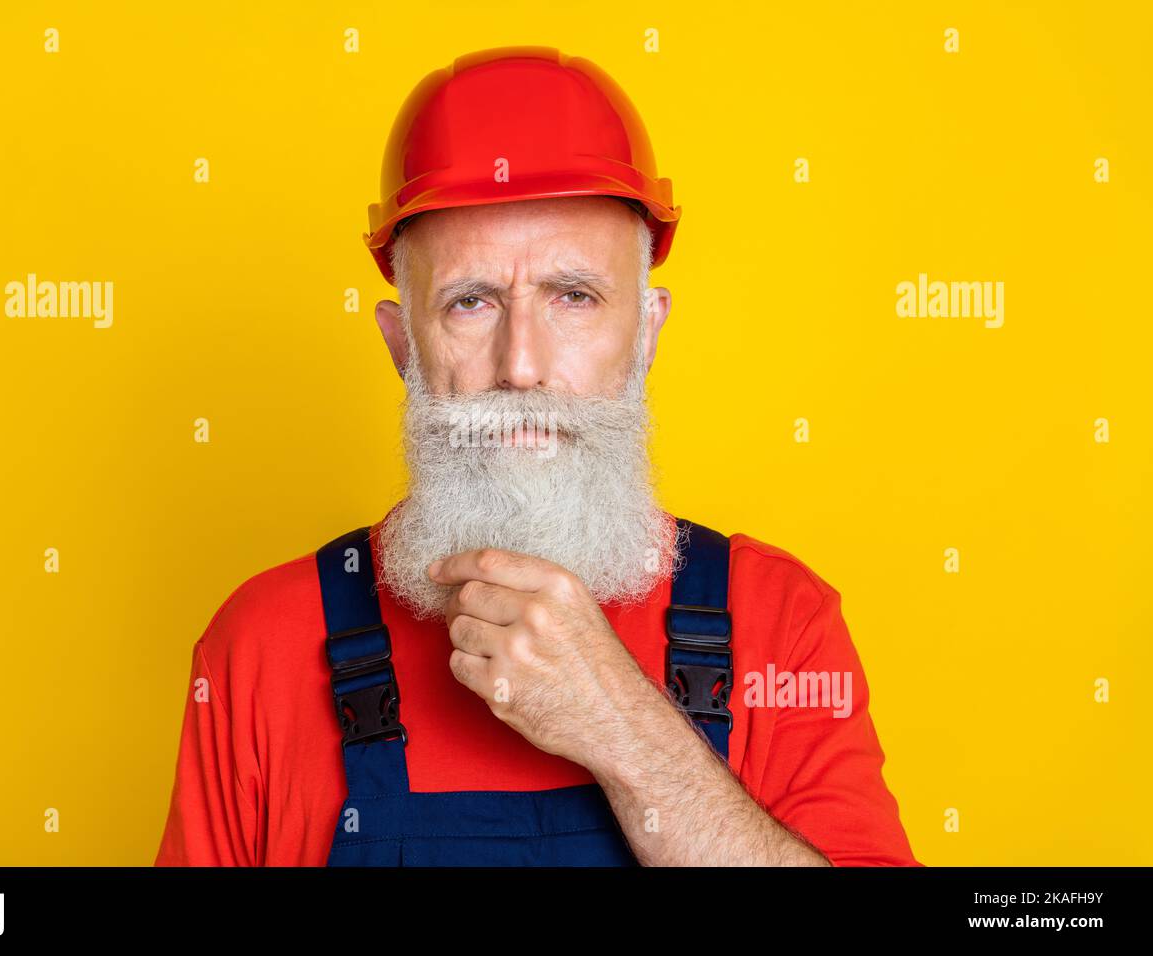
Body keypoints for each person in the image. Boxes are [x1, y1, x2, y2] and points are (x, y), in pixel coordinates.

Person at [154, 46, 917, 867]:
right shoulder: (261, 648)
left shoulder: (781, 625)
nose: (521, 364)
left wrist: (623, 725)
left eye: (573, 297)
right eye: (471, 302)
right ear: (400, 343)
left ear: (648, 331)